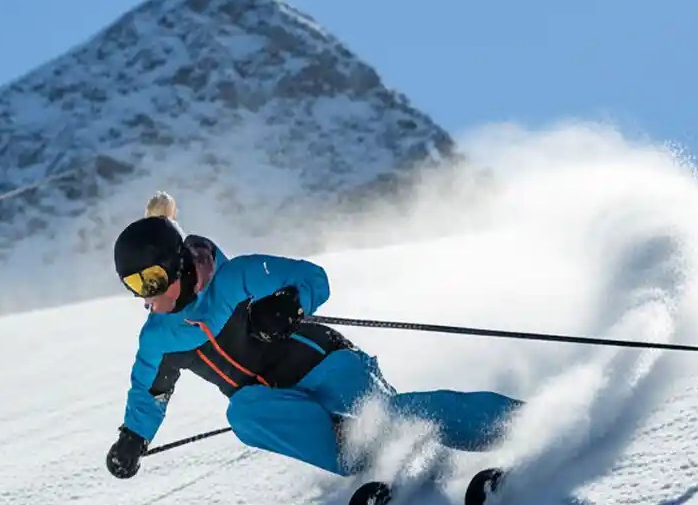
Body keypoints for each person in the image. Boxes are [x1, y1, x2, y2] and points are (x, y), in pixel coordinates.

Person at [106, 195, 522, 480]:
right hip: (279, 402)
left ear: (177, 264)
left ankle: (516, 425)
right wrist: (133, 438)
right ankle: (356, 451)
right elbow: (149, 394)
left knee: (385, 414)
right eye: (136, 285)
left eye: (153, 279)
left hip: (325, 364)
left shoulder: (237, 277)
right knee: (244, 414)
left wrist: (288, 302)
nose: (148, 294)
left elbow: (312, 278)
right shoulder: (159, 339)